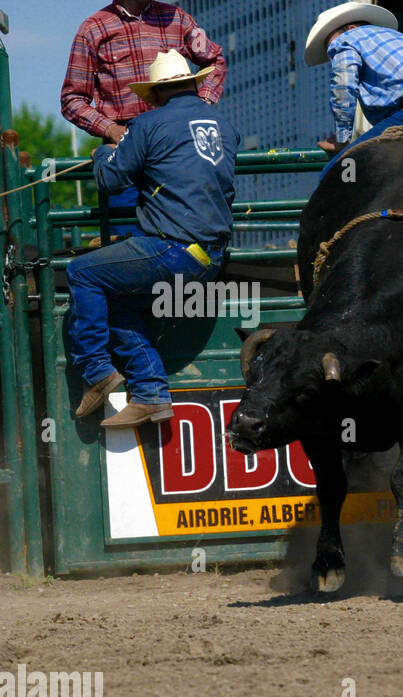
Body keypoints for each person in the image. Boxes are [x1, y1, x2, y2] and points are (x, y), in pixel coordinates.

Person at [66, 50, 237, 429]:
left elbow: (111, 180)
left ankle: (95, 370)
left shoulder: (149, 125)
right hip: (211, 260)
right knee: (118, 300)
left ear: (156, 93)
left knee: (82, 272)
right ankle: (150, 394)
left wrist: (102, 155)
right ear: (193, 84)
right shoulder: (224, 125)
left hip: (171, 251)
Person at [61, 0, 226, 238]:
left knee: (184, 230)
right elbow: (72, 99)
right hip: (126, 142)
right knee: (127, 237)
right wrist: (111, 129)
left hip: (173, 141)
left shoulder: (178, 19)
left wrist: (199, 107)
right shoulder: (94, 28)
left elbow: (214, 59)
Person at [304, 2, 403, 171]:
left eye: (331, 47)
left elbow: (344, 87)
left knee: (338, 172)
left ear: (351, 28)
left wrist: (342, 138)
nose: (333, 55)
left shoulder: (346, 39)